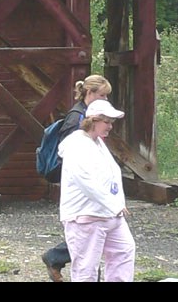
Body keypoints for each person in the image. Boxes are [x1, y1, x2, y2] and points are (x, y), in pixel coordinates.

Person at [41, 74, 113, 281]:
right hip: (80, 182)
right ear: (89, 93)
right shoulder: (77, 118)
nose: (105, 101)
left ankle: (56, 258)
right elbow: (69, 151)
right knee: (87, 233)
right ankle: (56, 258)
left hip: (86, 180)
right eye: (102, 95)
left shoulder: (85, 113)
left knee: (91, 234)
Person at [58, 98, 135, 282]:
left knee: (124, 251)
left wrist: (117, 205)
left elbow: (112, 175)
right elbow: (86, 181)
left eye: (111, 122)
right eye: (106, 122)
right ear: (93, 121)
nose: (110, 127)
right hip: (85, 216)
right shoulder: (76, 144)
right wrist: (113, 204)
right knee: (86, 269)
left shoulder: (97, 142)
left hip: (110, 215)